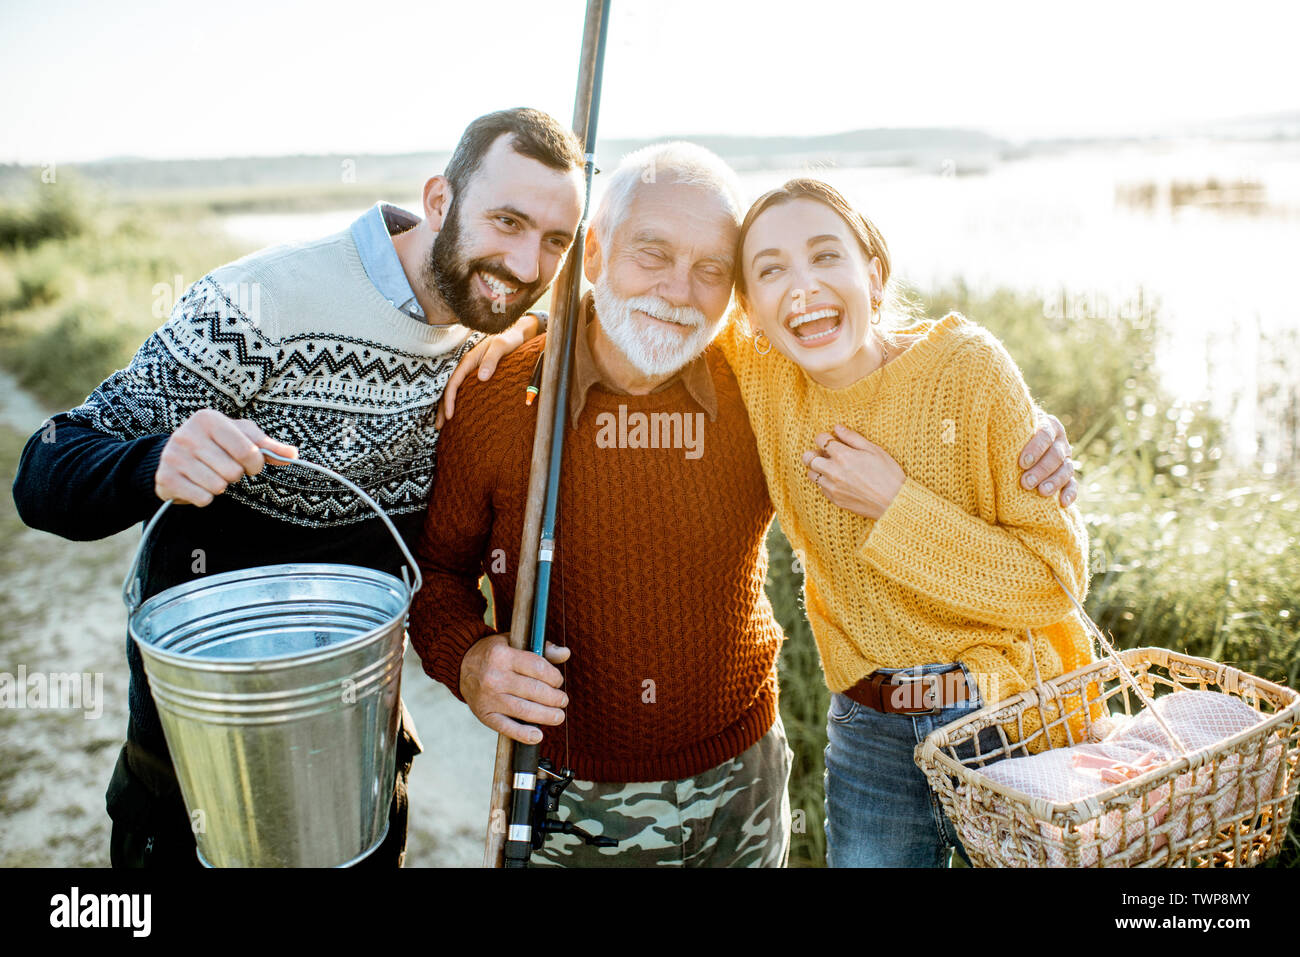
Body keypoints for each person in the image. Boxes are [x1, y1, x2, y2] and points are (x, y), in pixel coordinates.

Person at [426, 144, 1079, 866]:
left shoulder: (765, 375)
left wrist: (1019, 442)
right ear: (596, 255)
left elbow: (896, 385)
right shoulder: (506, 395)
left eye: (711, 269)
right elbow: (434, 575)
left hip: (778, 775)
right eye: (653, 254)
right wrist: (468, 658)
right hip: (578, 797)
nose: (679, 291)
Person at [10, 107, 586, 868]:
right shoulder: (261, 305)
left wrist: (528, 331)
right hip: (197, 767)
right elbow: (45, 467)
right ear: (439, 201)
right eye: (506, 221)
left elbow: (581, 316)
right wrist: (153, 463)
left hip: (360, 766)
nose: (524, 262)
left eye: (555, 241)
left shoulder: (492, 332)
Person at [720, 177, 1094, 867]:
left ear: (875, 272)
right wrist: (523, 339)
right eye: (771, 270)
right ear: (747, 309)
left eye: (826, 255)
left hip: (1003, 715)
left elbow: (1056, 578)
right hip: (868, 732)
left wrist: (895, 507)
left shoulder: (969, 368)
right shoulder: (761, 374)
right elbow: (643, 312)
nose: (801, 287)